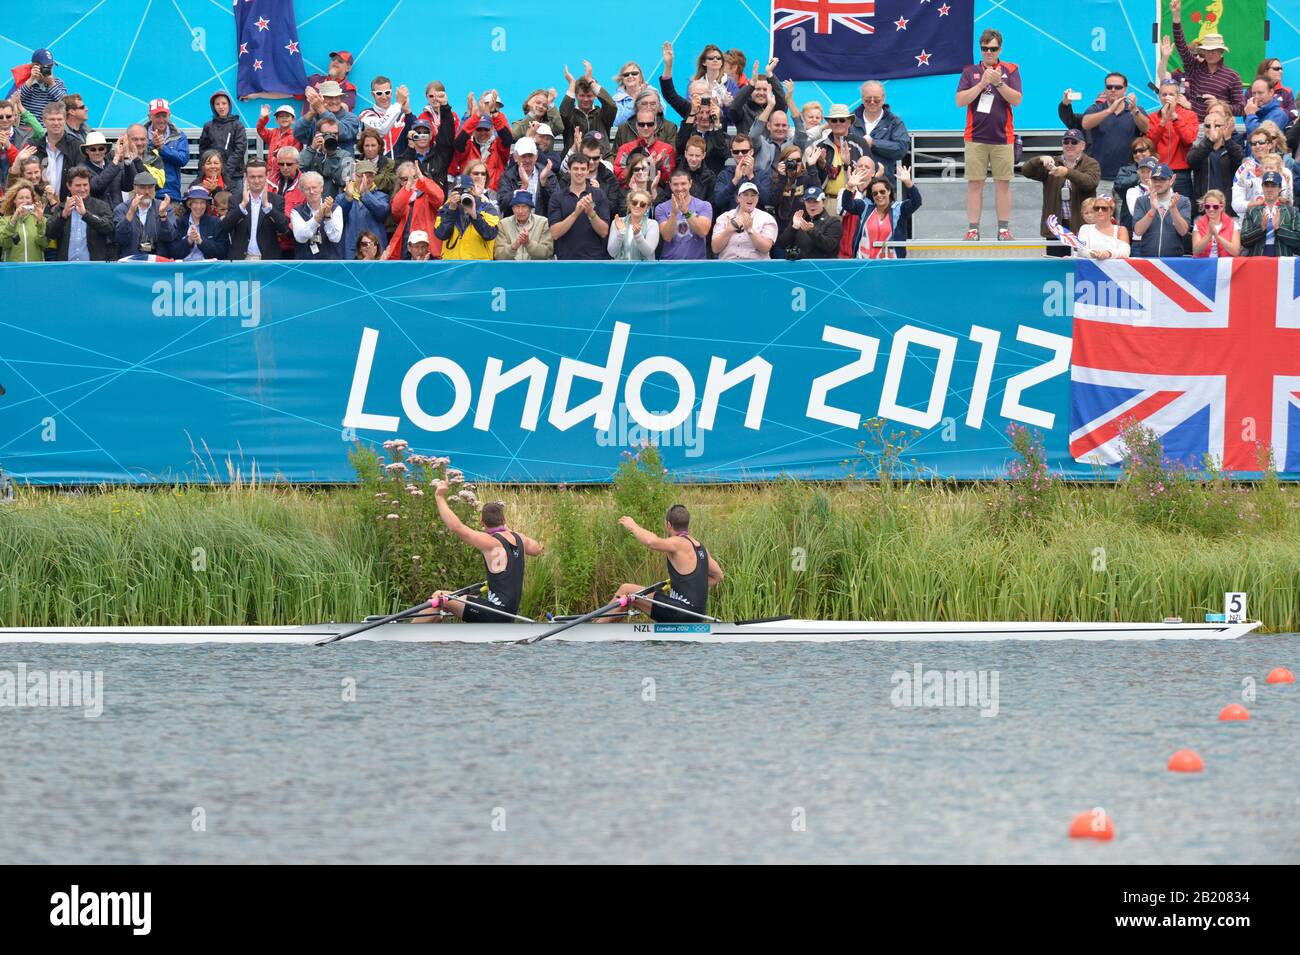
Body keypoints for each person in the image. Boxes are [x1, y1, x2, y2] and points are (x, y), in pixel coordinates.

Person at [422, 488, 543, 624]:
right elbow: (537, 549)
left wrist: (439, 496)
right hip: (509, 615)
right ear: (504, 520)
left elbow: (455, 527)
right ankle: (434, 640)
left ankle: (407, 637)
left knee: (439, 597)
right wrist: (508, 530)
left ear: (481, 522)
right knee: (448, 602)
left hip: (494, 614)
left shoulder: (489, 542)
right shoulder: (521, 539)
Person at [598, 504, 723, 625]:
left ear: (668, 525)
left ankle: (594, 631)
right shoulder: (701, 548)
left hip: (681, 613)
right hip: (698, 615)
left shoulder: (677, 543)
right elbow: (718, 576)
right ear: (687, 524)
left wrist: (633, 526)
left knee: (626, 589)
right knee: (633, 597)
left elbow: (652, 542)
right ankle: (609, 634)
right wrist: (687, 585)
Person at [955, 28, 1023, 240]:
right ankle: (973, 229)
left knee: (1003, 184)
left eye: (993, 49)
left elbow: (1017, 100)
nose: (988, 52)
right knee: (975, 184)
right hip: (975, 137)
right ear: (980, 49)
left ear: (1000, 49)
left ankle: (1003, 229)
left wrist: (998, 82)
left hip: (1003, 137)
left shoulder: (1011, 69)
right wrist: (982, 83)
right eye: (985, 49)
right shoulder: (970, 71)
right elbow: (960, 101)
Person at [1022, 129, 1101, 257]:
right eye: (1066, 141)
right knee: (1056, 266)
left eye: (1074, 142)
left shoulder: (1091, 163)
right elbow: (1026, 171)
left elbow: (1090, 183)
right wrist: (1039, 159)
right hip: (1056, 226)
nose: (1069, 145)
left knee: (1082, 265)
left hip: (1082, 225)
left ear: (1082, 146)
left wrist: (1067, 172)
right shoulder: (1052, 162)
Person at [1072, 73, 1149, 195]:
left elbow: (1146, 127)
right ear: (1105, 89)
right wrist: (1109, 110)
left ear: (1125, 89)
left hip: (1128, 177)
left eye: (1118, 87)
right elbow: (1085, 124)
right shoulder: (1096, 108)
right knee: (1100, 213)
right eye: (1109, 87)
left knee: (1124, 214)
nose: (1113, 90)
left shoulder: (1136, 109)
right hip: (1100, 177)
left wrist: (1134, 110)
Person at [1169, 1, 1244, 118]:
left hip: (1220, 129)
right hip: (1195, 127)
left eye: (1213, 50)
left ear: (1221, 51)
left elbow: (1241, 109)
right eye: (1207, 50)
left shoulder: (1233, 76)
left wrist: (1218, 104)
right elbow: (1181, 45)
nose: (1209, 53)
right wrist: (1176, 17)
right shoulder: (1194, 67)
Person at [842, 166, 921, 260]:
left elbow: (916, 202)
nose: (879, 195)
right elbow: (847, 205)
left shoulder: (899, 209)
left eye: (882, 191)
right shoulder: (865, 207)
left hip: (890, 265)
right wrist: (849, 186)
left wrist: (908, 183)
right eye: (875, 193)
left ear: (889, 191)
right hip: (863, 264)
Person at [547, 155, 610, 260]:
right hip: (566, 260)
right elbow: (555, 233)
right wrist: (575, 213)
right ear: (569, 170)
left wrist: (591, 212)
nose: (579, 173)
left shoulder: (599, 194)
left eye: (583, 169)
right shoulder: (557, 197)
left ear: (588, 170)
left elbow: (604, 232)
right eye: (575, 169)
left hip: (594, 259)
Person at [223, 159, 287, 260]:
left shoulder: (276, 200)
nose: (256, 181)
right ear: (245, 177)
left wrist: (267, 206)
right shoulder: (235, 199)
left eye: (260, 177)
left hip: (267, 259)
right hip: (241, 259)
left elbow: (283, 228)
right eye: (252, 177)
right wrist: (243, 205)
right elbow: (225, 227)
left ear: (267, 176)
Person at [46, 166, 113, 261]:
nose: (82, 189)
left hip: (93, 267)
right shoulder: (61, 207)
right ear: (69, 186)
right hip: (68, 267)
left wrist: (86, 214)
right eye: (78, 185)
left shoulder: (101, 206)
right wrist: (63, 215)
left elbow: (109, 228)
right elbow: (50, 233)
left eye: (85, 185)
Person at [449, 94, 513, 189]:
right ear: (474, 129)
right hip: (468, 194)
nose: (482, 132)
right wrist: (476, 116)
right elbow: (458, 143)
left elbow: (508, 138)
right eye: (479, 129)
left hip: (494, 196)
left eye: (486, 129)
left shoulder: (498, 147)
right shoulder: (468, 146)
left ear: (492, 129)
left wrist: (494, 113)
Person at [850, 81, 911, 179]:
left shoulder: (894, 122)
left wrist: (873, 143)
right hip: (853, 180)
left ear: (883, 99)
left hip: (882, 184)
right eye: (868, 99)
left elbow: (902, 149)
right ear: (862, 99)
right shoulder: (851, 120)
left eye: (876, 99)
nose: (872, 102)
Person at [808, 104, 866, 208]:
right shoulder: (820, 146)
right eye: (834, 120)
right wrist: (821, 166)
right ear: (829, 123)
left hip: (854, 201)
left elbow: (867, 174)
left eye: (842, 120)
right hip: (828, 202)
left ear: (849, 122)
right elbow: (813, 181)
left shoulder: (861, 144)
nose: (838, 123)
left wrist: (848, 164)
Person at [384, 162, 444, 260]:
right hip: (406, 245)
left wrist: (422, 180)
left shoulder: (428, 194)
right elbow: (396, 211)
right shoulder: (400, 196)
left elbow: (439, 197)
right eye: (405, 179)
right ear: (399, 182)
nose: (411, 181)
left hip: (427, 245)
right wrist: (407, 188)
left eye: (414, 177)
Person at [1130, 163, 1191, 257]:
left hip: (1173, 261)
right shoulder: (1142, 201)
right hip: (1148, 260)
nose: (1158, 183)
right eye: (1155, 180)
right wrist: (1152, 210)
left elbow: (1183, 231)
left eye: (1162, 179)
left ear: (1171, 180)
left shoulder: (1182, 201)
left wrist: (1173, 209)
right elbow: (1138, 231)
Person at [1186, 105, 1244, 205]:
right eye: (1207, 126)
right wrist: (1210, 141)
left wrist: (1228, 140)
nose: (1211, 129)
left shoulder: (1232, 147)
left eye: (1217, 125)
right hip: (1204, 207)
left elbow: (1240, 162)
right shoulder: (1198, 148)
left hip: (1228, 207)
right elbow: (1192, 161)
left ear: (1225, 127)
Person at [1233, 122, 1293, 217]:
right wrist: (1262, 203)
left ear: (1270, 145)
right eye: (1253, 143)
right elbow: (1236, 205)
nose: (1257, 146)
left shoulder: (1284, 171)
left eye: (1261, 142)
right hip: (1250, 224)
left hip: (1277, 222)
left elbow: (1289, 203)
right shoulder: (1244, 169)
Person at [435, 174, 499, 260]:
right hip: (452, 264)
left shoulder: (487, 207)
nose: (461, 195)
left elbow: (490, 234)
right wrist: (451, 210)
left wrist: (474, 215)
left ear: (473, 190)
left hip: (478, 265)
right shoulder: (446, 208)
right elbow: (441, 234)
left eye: (465, 191)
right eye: (458, 191)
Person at [112, 171, 175, 257]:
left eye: (150, 187)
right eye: (143, 188)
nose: (147, 192)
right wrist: (130, 213)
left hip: (157, 262)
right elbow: (119, 239)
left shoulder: (164, 207)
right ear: (135, 188)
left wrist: (163, 216)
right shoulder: (122, 209)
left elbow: (170, 237)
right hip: (130, 262)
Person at [655, 167, 712, 260]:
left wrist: (686, 212)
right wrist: (673, 214)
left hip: (696, 264)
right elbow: (667, 236)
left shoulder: (704, 205)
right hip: (670, 263)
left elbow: (703, 232)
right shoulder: (661, 208)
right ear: (670, 185)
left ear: (690, 183)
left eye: (683, 184)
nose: (680, 188)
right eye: (675, 184)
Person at [710, 180, 776, 260]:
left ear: (758, 198)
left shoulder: (767, 218)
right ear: (738, 198)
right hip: (728, 266)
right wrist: (729, 229)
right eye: (745, 195)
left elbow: (765, 248)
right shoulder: (724, 217)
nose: (750, 198)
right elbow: (715, 249)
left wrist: (750, 230)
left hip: (756, 268)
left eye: (753, 195)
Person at [1239, 171, 1300, 256]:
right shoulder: (1251, 211)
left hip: (1283, 262)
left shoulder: (1292, 211)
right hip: (1258, 261)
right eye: (1266, 186)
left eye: (1273, 186)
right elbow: (1244, 241)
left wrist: (1278, 229)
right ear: (1262, 187)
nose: (1269, 189)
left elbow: (1298, 241)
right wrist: (1261, 229)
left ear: (1279, 188)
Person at [338, 159, 389, 259]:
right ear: (354, 176)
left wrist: (365, 194)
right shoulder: (341, 198)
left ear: (374, 177)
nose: (365, 179)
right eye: (360, 175)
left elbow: (381, 213)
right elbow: (339, 219)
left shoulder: (382, 197)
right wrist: (348, 199)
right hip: (350, 249)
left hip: (375, 249)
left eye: (369, 176)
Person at [198, 90, 246, 197]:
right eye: (217, 104)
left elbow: (240, 150)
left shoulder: (237, 125)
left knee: (234, 206)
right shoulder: (208, 126)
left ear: (229, 105)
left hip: (234, 175)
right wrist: (210, 169)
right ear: (213, 106)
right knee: (213, 205)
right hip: (213, 176)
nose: (221, 107)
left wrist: (225, 171)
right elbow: (203, 151)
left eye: (224, 103)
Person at [559, 67, 617, 152]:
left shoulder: (602, 115)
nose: (586, 99)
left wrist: (591, 82)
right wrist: (572, 84)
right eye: (582, 95)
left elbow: (612, 106)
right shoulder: (570, 115)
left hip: (601, 159)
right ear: (576, 95)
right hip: (575, 160)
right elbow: (563, 114)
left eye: (589, 96)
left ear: (595, 95)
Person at [777, 185, 842, 260]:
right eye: (808, 202)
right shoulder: (799, 219)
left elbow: (829, 246)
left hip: (822, 268)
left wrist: (811, 231)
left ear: (824, 202)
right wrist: (793, 228)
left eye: (815, 201)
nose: (812, 205)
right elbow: (782, 244)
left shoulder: (834, 222)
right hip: (799, 267)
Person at [293, 81, 360, 154]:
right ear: (321, 99)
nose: (334, 101)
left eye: (337, 97)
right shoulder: (314, 118)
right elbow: (298, 134)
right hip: (315, 163)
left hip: (341, 164)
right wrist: (311, 113)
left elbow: (344, 133)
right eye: (330, 98)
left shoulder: (351, 118)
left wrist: (322, 110)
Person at [141, 99, 189, 201]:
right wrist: (152, 145)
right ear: (150, 116)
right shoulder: (141, 134)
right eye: (157, 116)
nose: (161, 120)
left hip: (171, 193)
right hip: (145, 191)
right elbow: (138, 159)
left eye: (164, 115)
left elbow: (183, 159)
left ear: (169, 115)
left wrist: (162, 148)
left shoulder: (179, 135)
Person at [614, 107, 676, 184]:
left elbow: (668, 180)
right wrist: (637, 164)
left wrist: (657, 165)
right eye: (641, 124)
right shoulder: (625, 149)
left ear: (655, 125)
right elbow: (619, 178)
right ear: (636, 125)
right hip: (630, 192)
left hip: (656, 193)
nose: (646, 128)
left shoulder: (666, 149)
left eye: (650, 124)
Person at [34, 101, 81, 202]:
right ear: (44, 121)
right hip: (40, 206)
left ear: (65, 120)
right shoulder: (35, 147)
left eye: (59, 119)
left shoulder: (76, 145)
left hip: (69, 205)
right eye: (52, 119)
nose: (56, 123)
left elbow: (80, 179)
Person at [290, 171, 343, 259]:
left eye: (314, 187)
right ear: (302, 191)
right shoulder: (296, 212)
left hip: (329, 264)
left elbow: (335, 238)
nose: (311, 191)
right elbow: (300, 237)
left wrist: (328, 217)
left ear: (321, 188)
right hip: (305, 263)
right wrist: (318, 217)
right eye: (307, 189)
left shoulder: (335, 209)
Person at [167, 186, 228, 261]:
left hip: (208, 268)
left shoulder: (215, 222)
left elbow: (222, 251)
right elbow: (173, 253)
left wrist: (201, 241)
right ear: (189, 204)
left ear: (206, 205)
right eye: (195, 203)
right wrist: (189, 240)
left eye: (202, 203)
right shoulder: (180, 223)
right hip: (185, 267)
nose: (199, 207)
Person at [359, 77, 414, 159]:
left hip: (400, 167)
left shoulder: (402, 115)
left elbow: (416, 134)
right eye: (379, 93)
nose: (384, 97)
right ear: (373, 95)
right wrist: (399, 103)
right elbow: (382, 129)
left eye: (387, 92)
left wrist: (407, 111)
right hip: (377, 168)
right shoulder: (366, 114)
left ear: (391, 93)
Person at [298, 116, 353, 197]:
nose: (331, 137)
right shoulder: (311, 153)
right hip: (311, 200)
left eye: (335, 134)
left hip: (334, 202)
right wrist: (312, 149)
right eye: (327, 134)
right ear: (318, 134)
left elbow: (345, 182)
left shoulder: (346, 156)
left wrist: (332, 155)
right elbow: (298, 168)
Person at [494, 190, 554, 260]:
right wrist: (513, 247)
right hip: (511, 269)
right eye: (517, 206)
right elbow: (498, 255)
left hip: (536, 269)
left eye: (524, 206)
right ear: (512, 208)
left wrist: (528, 243)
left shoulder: (543, 222)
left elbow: (547, 252)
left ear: (530, 208)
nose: (520, 211)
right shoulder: (503, 224)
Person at [0, 183, 50, 261]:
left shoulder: (39, 219)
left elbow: (45, 244)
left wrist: (40, 222)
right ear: (14, 200)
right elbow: (4, 243)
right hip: (13, 270)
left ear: (32, 200)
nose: (25, 201)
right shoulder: (4, 220)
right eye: (21, 198)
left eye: (28, 198)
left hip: (34, 269)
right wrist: (13, 221)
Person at [606, 188, 659, 260]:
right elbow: (612, 252)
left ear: (647, 207)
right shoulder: (618, 222)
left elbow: (648, 252)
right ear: (629, 203)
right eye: (634, 202)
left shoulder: (652, 224)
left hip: (644, 269)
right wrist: (621, 233)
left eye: (642, 204)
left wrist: (638, 235)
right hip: (621, 268)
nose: (638, 206)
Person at [1075, 193, 1130, 260]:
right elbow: (1081, 250)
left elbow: (1125, 252)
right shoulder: (1085, 228)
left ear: (1111, 211)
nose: (1100, 211)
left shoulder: (1120, 230)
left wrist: (1108, 253)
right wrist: (1094, 254)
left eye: (1104, 208)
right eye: (1096, 208)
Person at [256, 104, 301, 182]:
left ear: (293, 119)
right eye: (281, 116)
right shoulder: (273, 132)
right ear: (276, 120)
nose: (284, 118)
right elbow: (260, 129)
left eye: (287, 116)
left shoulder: (295, 135)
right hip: (271, 174)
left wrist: (279, 154)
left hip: (287, 174)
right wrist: (263, 117)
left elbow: (295, 155)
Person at [19, 49, 67, 120]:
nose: (49, 70)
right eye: (47, 67)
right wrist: (31, 79)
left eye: (51, 67)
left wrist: (52, 84)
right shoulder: (25, 81)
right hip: (25, 127)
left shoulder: (58, 83)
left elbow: (66, 105)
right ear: (35, 66)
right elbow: (15, 101)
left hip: (48, 128)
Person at [1191, 189, 1239, 258]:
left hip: (1224, 265)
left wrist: (1217, 237)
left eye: (1215, 206)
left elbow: (1235, 252)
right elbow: (1196, 251)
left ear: (1221, 207)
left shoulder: (1233, 224)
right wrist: (1209, 234)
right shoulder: (1198, 224)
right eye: (1207, 206)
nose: (1211, 209)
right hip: (1204, 265)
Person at [611, 64, 646, 131]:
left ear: (641, 77)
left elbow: (661, 111)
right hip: (627, 137)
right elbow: (617, 122)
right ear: (622, 79)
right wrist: (634, 101)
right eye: (626, 75)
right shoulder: (616, 99)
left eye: (634, 73)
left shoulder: (651, 91)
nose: (630, 76)